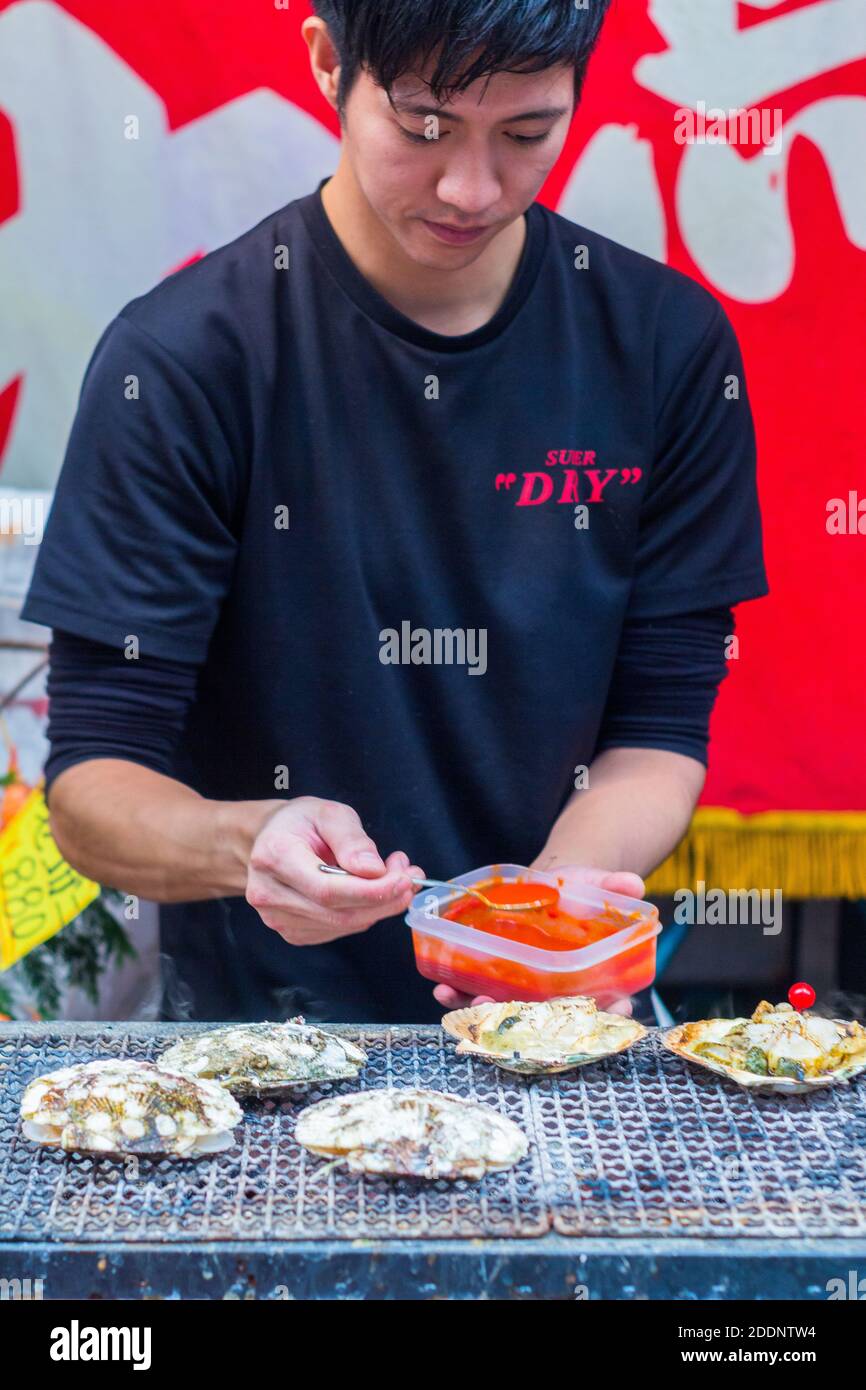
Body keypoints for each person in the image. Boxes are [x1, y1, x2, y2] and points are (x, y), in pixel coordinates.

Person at [21, 0, 768, 1024]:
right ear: (330, 63)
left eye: (525, 134)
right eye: (422, 126)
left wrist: (531, 920)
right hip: (263, 1041)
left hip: (550, 1012)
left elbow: (658, 726)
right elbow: (94, 784)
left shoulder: (662, 347)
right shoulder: (187, 360)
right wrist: (254, 843)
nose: (471, 187)